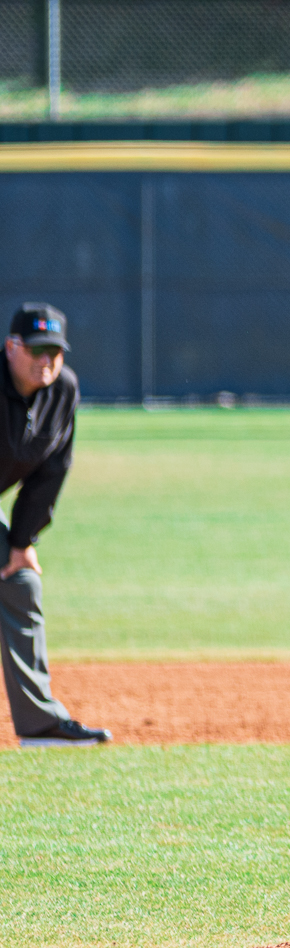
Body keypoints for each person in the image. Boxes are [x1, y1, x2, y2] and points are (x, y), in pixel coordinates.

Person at [2, 303, 110, 747]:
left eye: (55, 351)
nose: (47, 361)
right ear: (11, 348)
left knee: (21, 581)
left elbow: (53, 470)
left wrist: (22, 540)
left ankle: (40, 723)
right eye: (37, 350)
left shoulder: (62, 391)